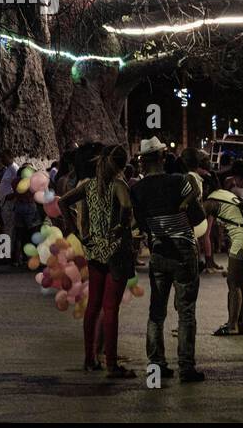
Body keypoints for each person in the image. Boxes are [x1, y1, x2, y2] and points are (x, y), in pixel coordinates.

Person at [130, 137, 206, 383]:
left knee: (157, 310)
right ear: (163, 157)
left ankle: (157, 363)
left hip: (159, 252)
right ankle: (186, 367)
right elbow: (197, 217)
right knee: (185, 311)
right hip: (184, 251)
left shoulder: (137, 190)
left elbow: (141, 225)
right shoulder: (179, 182)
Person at [61, 145, 136, 378]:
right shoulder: (119, 185)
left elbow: (63, 202)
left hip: (94, 251)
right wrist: (122, 226)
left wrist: (74, 231)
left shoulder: (89, 185)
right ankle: (112, 364)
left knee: (93, 305)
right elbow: (126, 207)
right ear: (122, 165)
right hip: (117, 252)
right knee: (111, 308)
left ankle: (89, 359)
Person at [207, 178, 243, 336]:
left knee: (233, 283)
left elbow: (196, 220)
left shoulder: (211, 200)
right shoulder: (226, 195)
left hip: (242, 239)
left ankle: (232, 325)